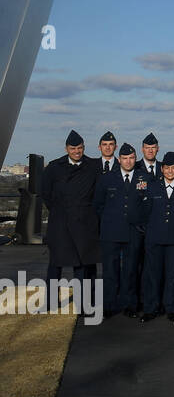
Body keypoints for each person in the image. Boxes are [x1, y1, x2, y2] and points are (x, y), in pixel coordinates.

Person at [40, 130, 100, 314]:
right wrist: (60, 211)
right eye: (73, 148)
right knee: (55, 264)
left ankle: (82, 305)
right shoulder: (54, 167)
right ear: (66, 148)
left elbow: (97, 194)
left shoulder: (92, 166)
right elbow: (46, 193)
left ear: (84, 148)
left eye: (80, 148)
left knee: (81, 266)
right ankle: (50, 302)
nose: (76, 151)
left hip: (83, 222)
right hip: (60, 222)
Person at [93, 142, 150, 317]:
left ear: (135, 158)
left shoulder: (145, 178)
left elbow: (148, 205)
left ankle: (129, 305)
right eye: (124, 158)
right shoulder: (107, 178)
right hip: (111, 231)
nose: (128, 161)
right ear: (119, 159)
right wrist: (110, 221)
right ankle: (110, 305)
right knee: (110, 270)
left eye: (131, 158)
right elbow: (98, 205)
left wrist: (142, 225)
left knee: (131, 270)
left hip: (134, 231)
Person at [139, 152, 174, 322]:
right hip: (155, 238)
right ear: (161, 169)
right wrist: (149, 231)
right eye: (167, 168)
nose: (170, 171)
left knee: (173, 275)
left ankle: (172, 309)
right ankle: (151, 308)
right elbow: (145, 213)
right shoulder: (152, 186)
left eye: (173, 167)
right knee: (153, 275)